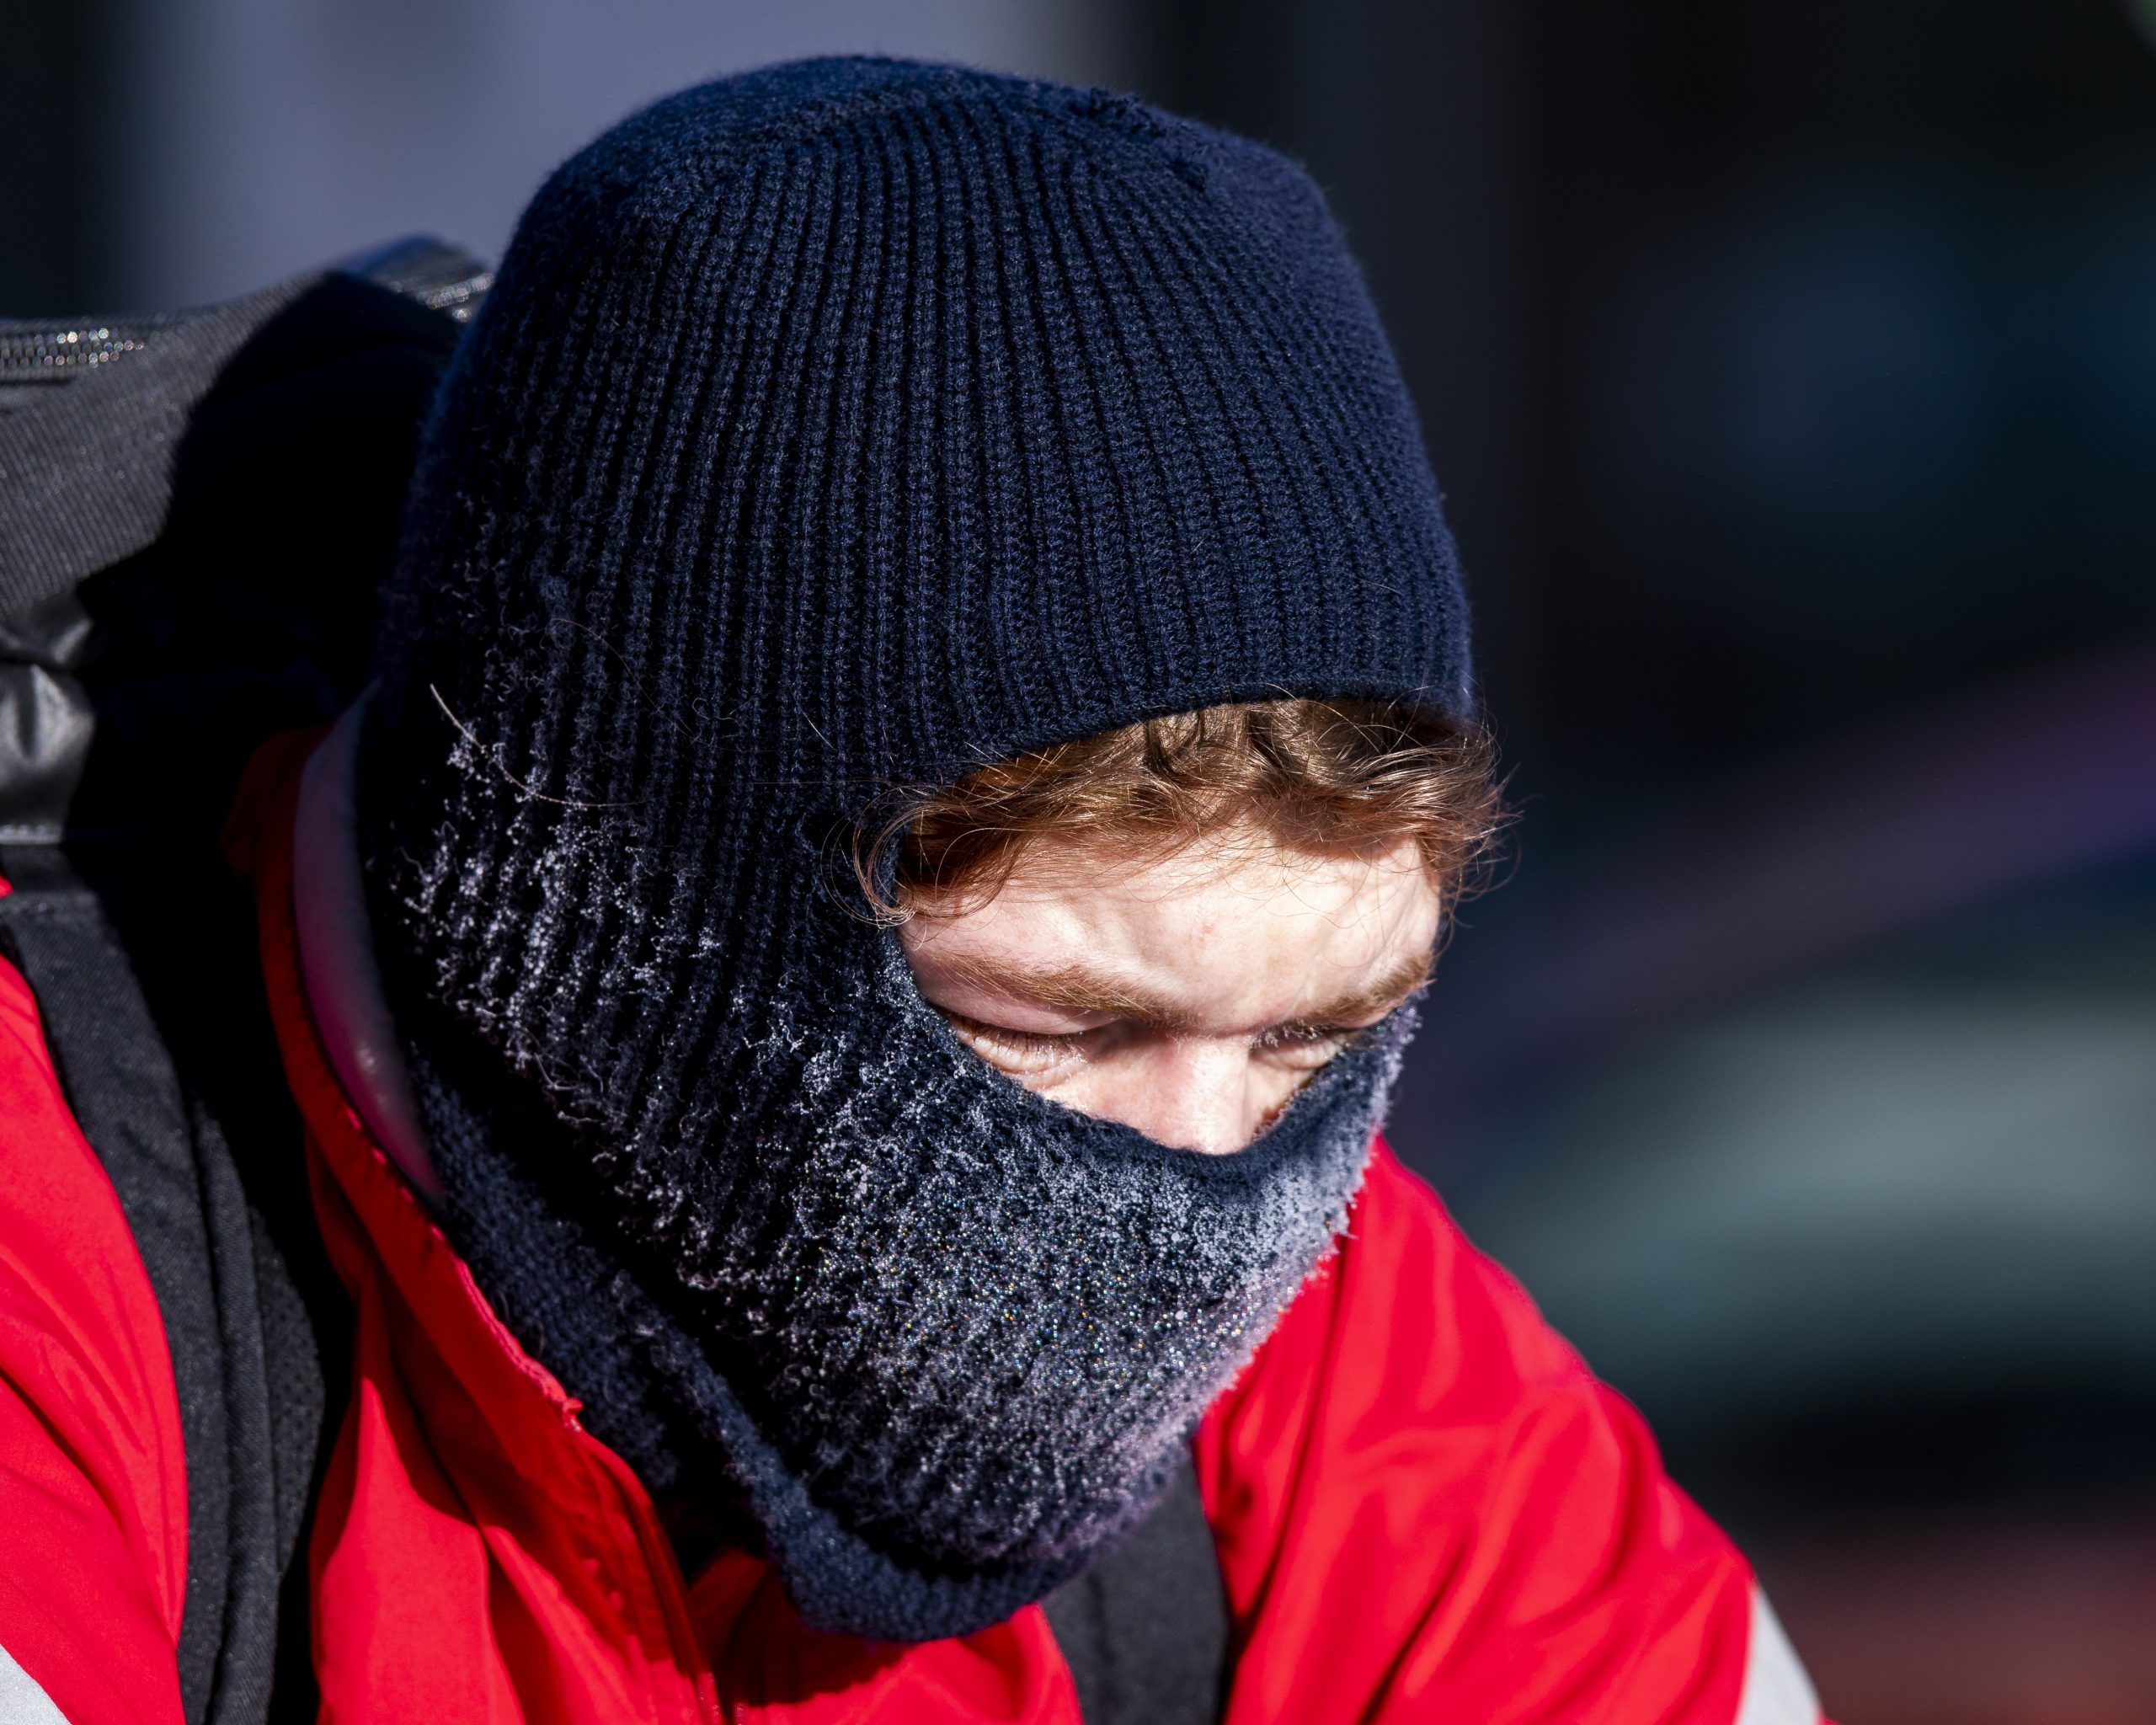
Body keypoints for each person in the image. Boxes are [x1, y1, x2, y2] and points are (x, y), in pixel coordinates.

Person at [0, 56, 1825, 1724]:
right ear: (621, 924)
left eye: (1315, 1035)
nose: (1199, 1202)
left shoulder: (1309, 1334)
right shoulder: (67, 1248)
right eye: (1051, 1020)